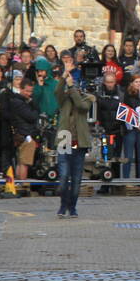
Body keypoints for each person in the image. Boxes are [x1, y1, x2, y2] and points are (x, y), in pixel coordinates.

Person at [55, 54, 93, 217]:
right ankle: (63, 205)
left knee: (76, 179)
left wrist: (71, 88)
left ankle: (72, 207)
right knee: (64, 177)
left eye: (76, 85)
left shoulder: (88, 98)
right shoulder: (64, 100)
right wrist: (64, 75)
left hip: (79, 143)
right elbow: (57, 92)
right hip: (65, 140)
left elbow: (81, 106)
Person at [96, 69, 126, 193]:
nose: (109, 84)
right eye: (107, 82)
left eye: (111, 82)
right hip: (104, 130)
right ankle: (105, 184)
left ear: (115, 82)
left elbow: (124, 111)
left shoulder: (121, 94)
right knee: (105, 156)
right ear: (104, 82)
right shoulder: (99, 93)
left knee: (116, 158)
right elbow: (97, 111)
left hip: (117, 130)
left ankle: (116, 184)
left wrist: (121, 125)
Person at [8, 78, 40, 184]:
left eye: (31, 91)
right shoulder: (19, 103)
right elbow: (32, 116)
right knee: (24, 163)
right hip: (26, 135)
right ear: (21, 89)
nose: (29, 94)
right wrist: (34, 106)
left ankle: (18, 184)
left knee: (20, 162)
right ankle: (23, 184)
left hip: (21, 134)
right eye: (27, 91)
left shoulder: (17, 101)